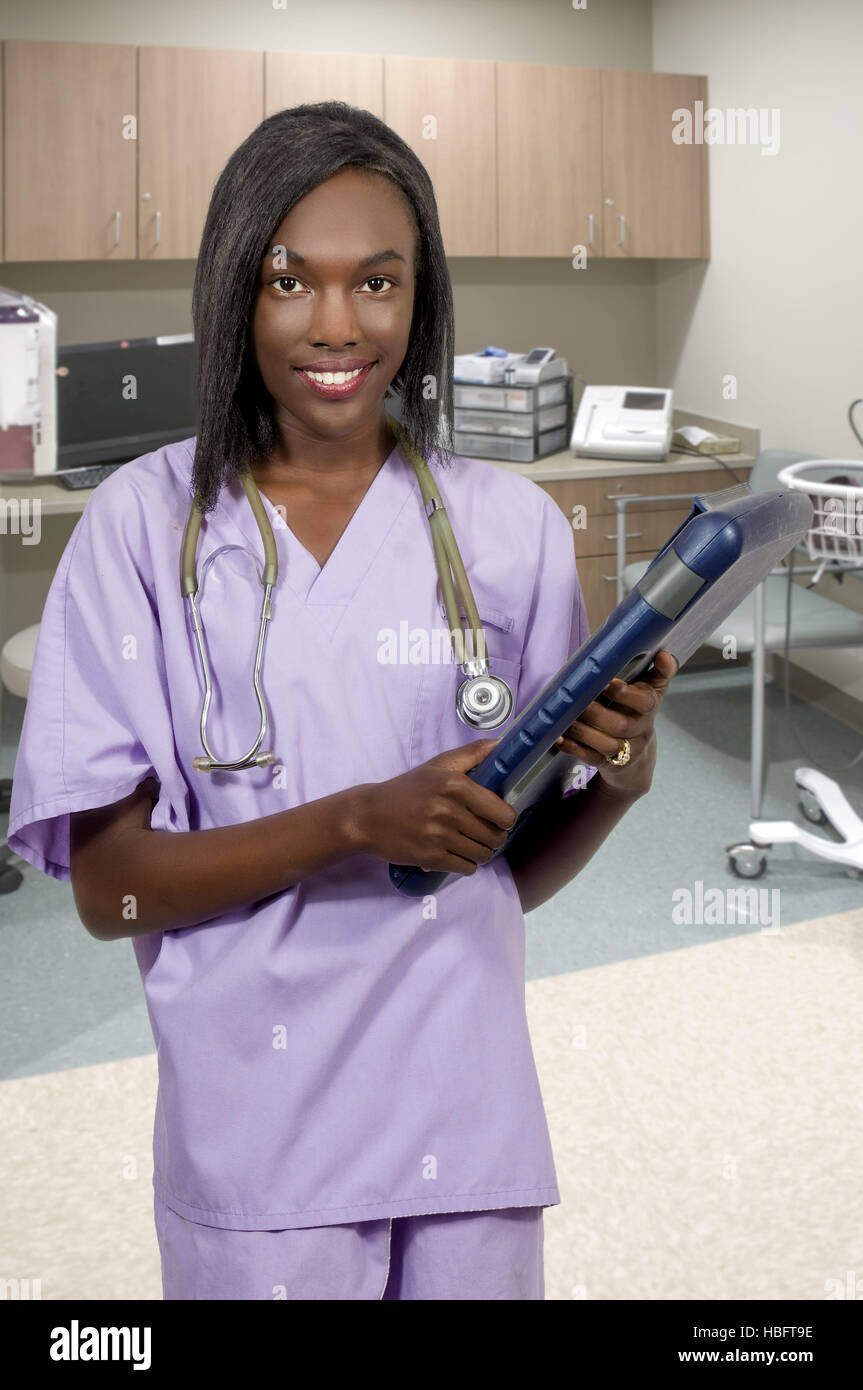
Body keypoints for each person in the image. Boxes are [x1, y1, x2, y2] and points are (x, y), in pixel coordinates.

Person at [8, 101, 678, 1301]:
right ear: (232, 292)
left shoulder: (508, 530)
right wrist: (353, 823)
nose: (335, 324)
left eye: (377, 281)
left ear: (418, 297)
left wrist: (622, 771)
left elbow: (502, 873)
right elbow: (112, 893)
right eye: (287, 280)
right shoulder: (142, 531)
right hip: (261, 1146)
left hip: (464, 1118)